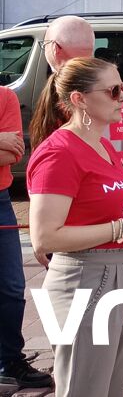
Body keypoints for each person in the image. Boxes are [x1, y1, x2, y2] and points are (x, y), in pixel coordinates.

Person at [26, 57, 123, 397]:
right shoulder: (58, 153)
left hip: (118, 273)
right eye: (114, 91)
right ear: (79, 99)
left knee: (110, 386)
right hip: (84, 279)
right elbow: (45, 236)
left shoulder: (102, 146)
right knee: (85, 387)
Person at [0, 86, 51, 390]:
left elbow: (12, 153)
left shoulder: (5, 96)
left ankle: (9, 360)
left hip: (1, 199)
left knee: (11, 286)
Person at [42, 15, 123, 156]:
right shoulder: (109, 86)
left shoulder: (65, 94)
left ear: (54, 48)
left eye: (120, 88)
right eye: (116, 90)